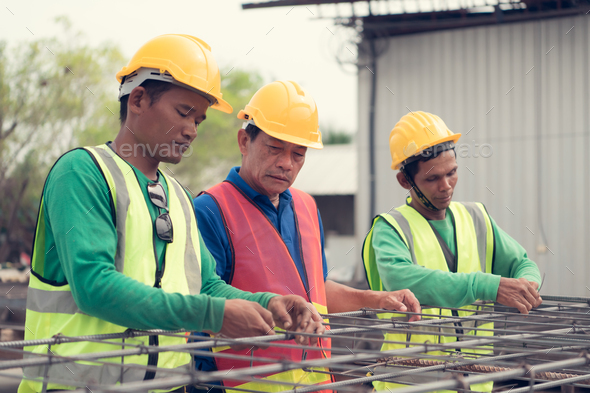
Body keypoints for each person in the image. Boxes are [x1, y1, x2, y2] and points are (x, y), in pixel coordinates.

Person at [18, 35, 323, 393]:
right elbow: (94, 287)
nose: (192, 129)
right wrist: (214, 315)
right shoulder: (83, 173)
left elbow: (206, 286)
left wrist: (269, 303)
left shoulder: (177, 196)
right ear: (139, 99)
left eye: (199, 119)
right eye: (183, 112)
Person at [193, 80, 422, 392]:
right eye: (274, 148)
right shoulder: (210, 209)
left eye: (298, 154)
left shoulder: (305, 207)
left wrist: (376, 298)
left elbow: (317, 289)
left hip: (313, 382)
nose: (286, 163)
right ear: (244, 141)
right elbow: (202, 298)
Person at [362, 110, 543, 392]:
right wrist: (488, 285)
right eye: (433, 178)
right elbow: (405, 282)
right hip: (410, 384)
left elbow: (521, 262)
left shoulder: (476, 217)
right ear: (405, 181)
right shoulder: (390, 229)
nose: (446, 186)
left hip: (475, 381)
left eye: (452, 172)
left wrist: (527, 284)